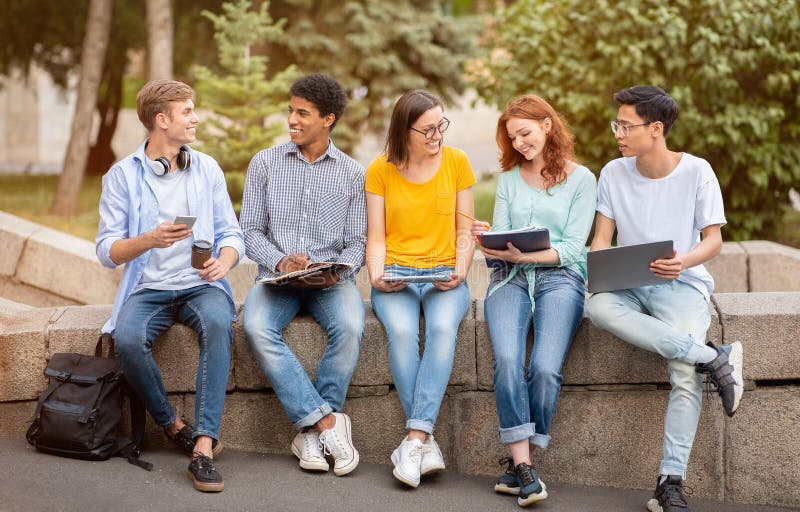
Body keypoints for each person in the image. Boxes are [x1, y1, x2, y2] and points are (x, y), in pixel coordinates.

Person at [586, 85, 744, 512]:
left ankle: (670, 480)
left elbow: (714, 240)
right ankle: (712, 355)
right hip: (630, 284)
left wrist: (683, 260)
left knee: (683, 371)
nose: (618, 133)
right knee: (598, 307)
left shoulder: (697, 171)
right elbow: (602, 238)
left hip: (682, 283)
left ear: (655, 129)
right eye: (616, 124)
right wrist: (596, 269)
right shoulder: (613, 172)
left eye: (625, 125)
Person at [96, 79, 244, 493]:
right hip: (149, 287)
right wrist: (149, 239)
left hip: (201, 285)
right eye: (187, 112)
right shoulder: (122, 176)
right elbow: (107, 250)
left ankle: (202, 446)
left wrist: (224, 261)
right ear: (161, 120)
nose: (195, 118)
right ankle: (174, 425)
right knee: (126, 339)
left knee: (218, 326)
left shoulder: (207, 169)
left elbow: (232, 233)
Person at [470, 95, 596, 507]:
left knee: (543, 368)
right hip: (509, 279)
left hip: (561, 279)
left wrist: (529, 255)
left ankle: (515, 464)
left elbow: (575, 249)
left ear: (547, 125)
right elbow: (503, 240)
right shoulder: (508, 179)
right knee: (507, 361)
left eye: (525, 133)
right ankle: (524, 466)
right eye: (513, 137)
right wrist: (489, 240)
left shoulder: (581, 180)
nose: (520, 143)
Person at [241, 73, 366, 477]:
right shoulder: (264, 163)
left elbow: (357, 243)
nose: (292, 120)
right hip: (276, 282)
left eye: (303, 113)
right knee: (256, 326)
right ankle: (325, 423)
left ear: (327, 119)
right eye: (290, 110)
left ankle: (310, 434)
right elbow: (248, 232)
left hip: (330, 283)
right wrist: (281, 262)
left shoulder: (352, 173)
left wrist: (336, 270)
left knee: (350, 325)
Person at [365, 89, 476, 488]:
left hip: (445, 273)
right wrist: (377, 275)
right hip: (396, 272)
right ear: (404, 130)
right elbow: (375, 237)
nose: (437, 135)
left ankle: (414, 439)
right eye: (427, 129)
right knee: (402, 332)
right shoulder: (380, 169)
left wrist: (461, 270)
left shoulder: (457, 161)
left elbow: (466, 231)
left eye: (440, 125)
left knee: (443, 330)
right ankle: (424, 440)